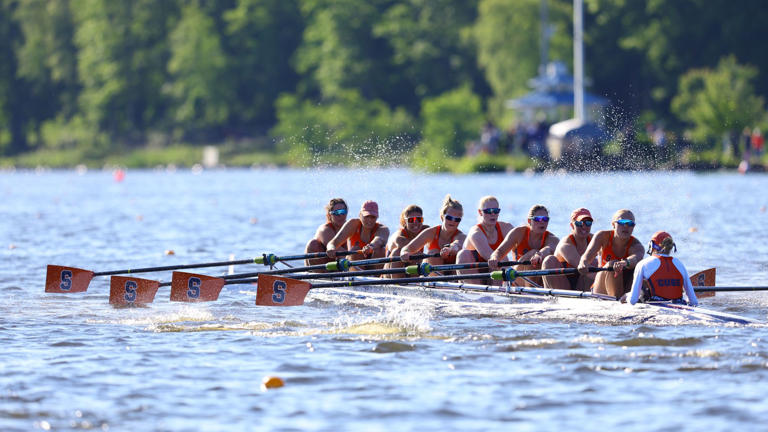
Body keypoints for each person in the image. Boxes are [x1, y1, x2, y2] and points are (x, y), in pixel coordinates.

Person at [577, 209, 644, 299]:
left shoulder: (637, 246)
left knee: (640, 269)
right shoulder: (602, 237)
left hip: (624, 287)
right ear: (613, 224)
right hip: (601, 287)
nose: (626, 226)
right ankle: (618, 300)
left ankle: (627, 298)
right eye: (622, 222)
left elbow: (636, 258)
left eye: (630, 224)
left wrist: (625, 263)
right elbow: (586, 257)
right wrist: (583, 264)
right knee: (612, 265)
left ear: (633, 227)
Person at [488, 204, 559, 286]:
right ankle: (531, 291)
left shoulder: (553, 239)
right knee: (533, 252)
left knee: (539, 255)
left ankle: (533, 290)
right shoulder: (518, 233)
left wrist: (539, 254)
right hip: (517, 278)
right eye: (537, 219)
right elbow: (499, 251)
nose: (542, 222)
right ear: (529, 221)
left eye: (545, 219)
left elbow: (548, 249)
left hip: (539, 281)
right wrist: (494, 258)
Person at [627, 231, 698, 306]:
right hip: (679, 304)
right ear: (671, 247)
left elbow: (632, 300)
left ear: (652, 245)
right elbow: (694, 302)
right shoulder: (680, 264)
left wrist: (625, 297)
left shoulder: (643, 264)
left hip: (656, 308)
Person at [455, 196, 514, 284]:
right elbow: (490, 256)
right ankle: (476, 294)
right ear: (480, 212)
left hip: (491, 272)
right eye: (488, 211)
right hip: (474, 272)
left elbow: (521, 239)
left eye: (496, 211)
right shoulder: (475, 233)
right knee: (463, 254)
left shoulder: (506, 228)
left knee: (502, 257)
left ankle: (498, 292)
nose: (493, 214)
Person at [400, 195, 466, 269]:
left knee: (462, 255)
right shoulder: (431, 233)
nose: (453, 221)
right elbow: (407, 248)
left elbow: (457, 245)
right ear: (442, 217)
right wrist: (404, 253)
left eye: (457, 219)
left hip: (451, 274)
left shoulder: (461, 236)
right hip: (433, 273)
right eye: (449, 218)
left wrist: (450, 249)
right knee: (434, 253)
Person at [542, 207, 596, 291]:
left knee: (595, 262)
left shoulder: (594, 239)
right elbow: (583, 267)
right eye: (579, 223)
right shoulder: (566, 244)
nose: (584, 226)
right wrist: (604, 277)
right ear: (572, 225)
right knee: (549, 260)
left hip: (581, 281)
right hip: (562, 283)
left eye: (588, 223)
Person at [326, 201, 389, 265]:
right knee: (356, 250)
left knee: (380, 251)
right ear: (360, 215)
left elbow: (379, 240)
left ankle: (374, 274)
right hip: (355, 265)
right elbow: (332, 243)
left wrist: (370, 247)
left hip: (374, 266)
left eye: (373, 217)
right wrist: (331, 248)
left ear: (377, 217)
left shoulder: (383, 229)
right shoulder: (353, 224)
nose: (369, 220)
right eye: (366, 216)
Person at [384, 205, 429, 278]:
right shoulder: (400, 234)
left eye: (419, 219)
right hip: (389, 272)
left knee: (417, 257)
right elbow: (398, 240)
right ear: (405, 222)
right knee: (398, 251)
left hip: (410, 268)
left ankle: (414, 283)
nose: (416, 223)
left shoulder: (425, 230)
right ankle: (397, 283)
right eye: (411, 220)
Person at [304, 198, 348, 266]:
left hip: (339, 268)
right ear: (330, 215)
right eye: (336, 213)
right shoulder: (324, 230)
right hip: (320, 270)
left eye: (343, 212)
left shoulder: (351, 227)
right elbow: (340, 252)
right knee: (313, 243)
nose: (340, 215)